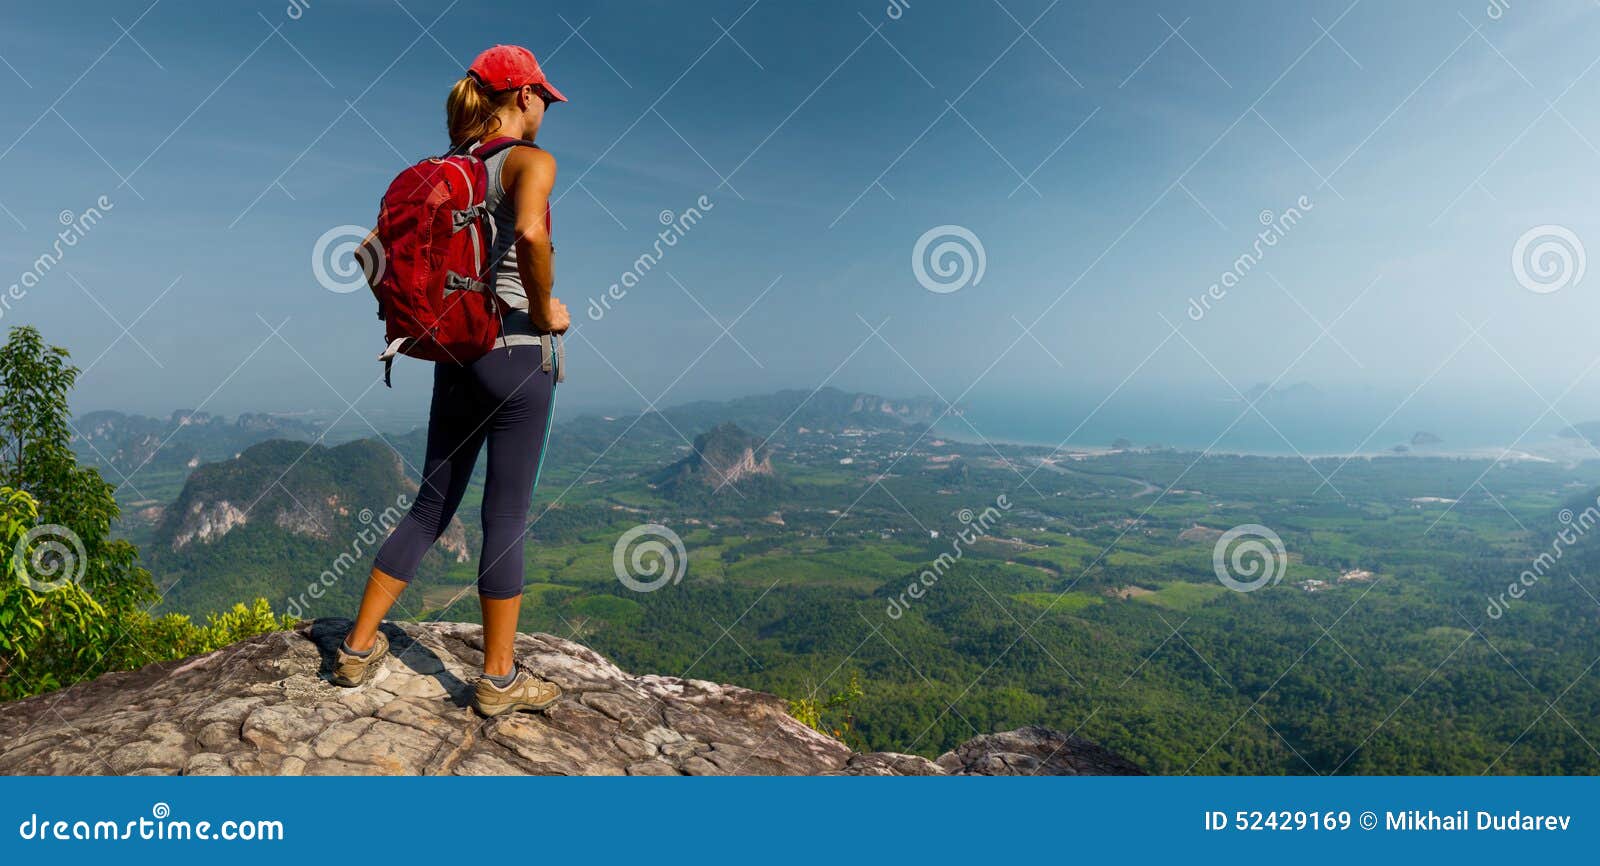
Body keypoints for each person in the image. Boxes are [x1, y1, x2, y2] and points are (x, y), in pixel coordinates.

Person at [331, 45, 572, 718]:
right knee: (506, 517)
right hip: (518, 356)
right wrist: (545, 306)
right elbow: (529, 232)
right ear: (521, 96)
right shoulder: (530, 161)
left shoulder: (447, 172)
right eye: (543, 98)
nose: (546, 109)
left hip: (456, 352)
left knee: (430, 507)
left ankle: (355, 648)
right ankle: (497, 681)